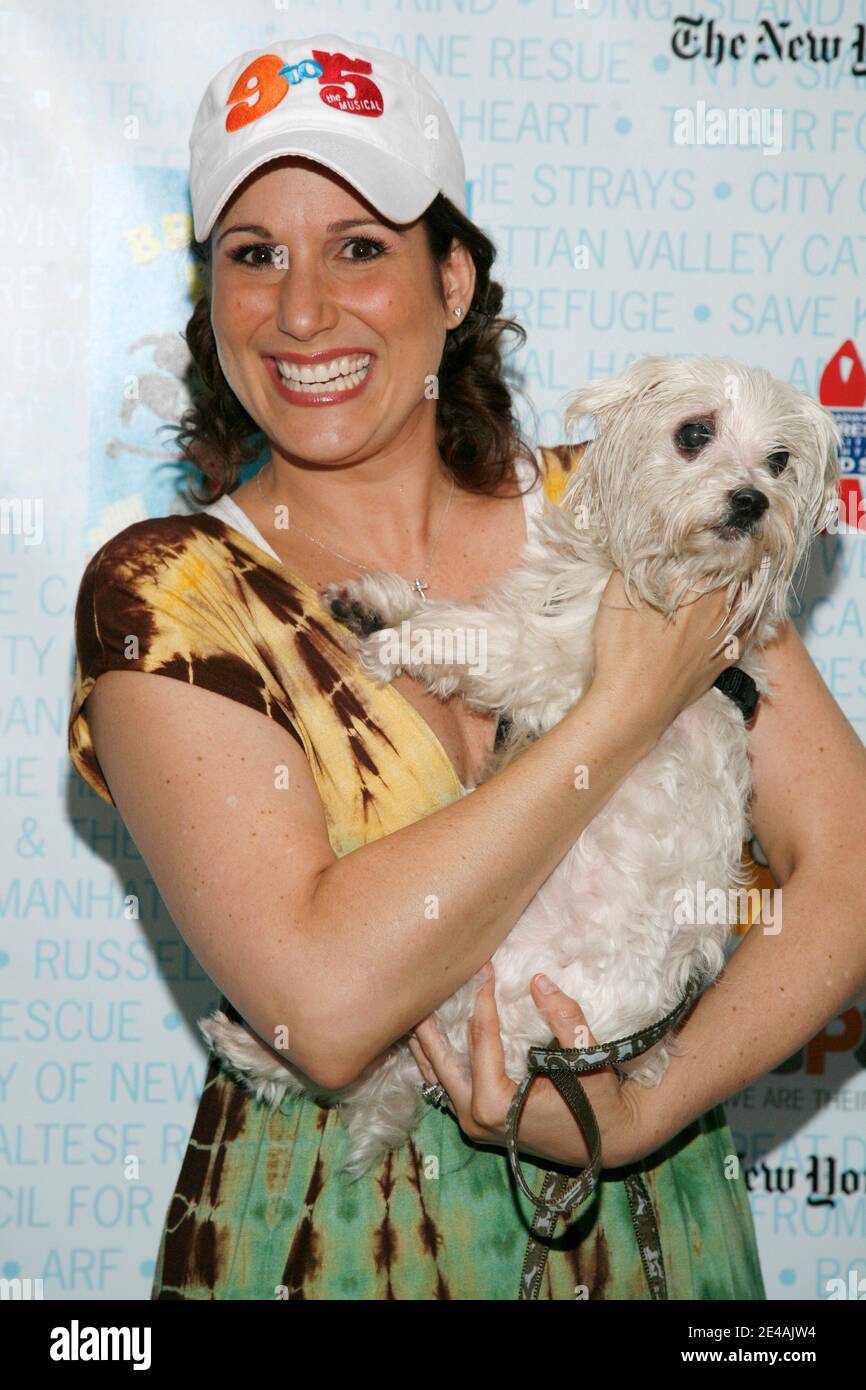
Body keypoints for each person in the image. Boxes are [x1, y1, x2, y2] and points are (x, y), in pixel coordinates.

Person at [67, 35, 866, 1300]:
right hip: (325, 1249)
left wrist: (645, 1103)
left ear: (451, 280)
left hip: (646, 1231)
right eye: (253, 253)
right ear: (208, 296)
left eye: (360, 245)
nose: (302, 309)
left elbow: (850, 865)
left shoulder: (640, 496)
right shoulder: (168, 595)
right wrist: (621, 705)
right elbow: (322, 1010)